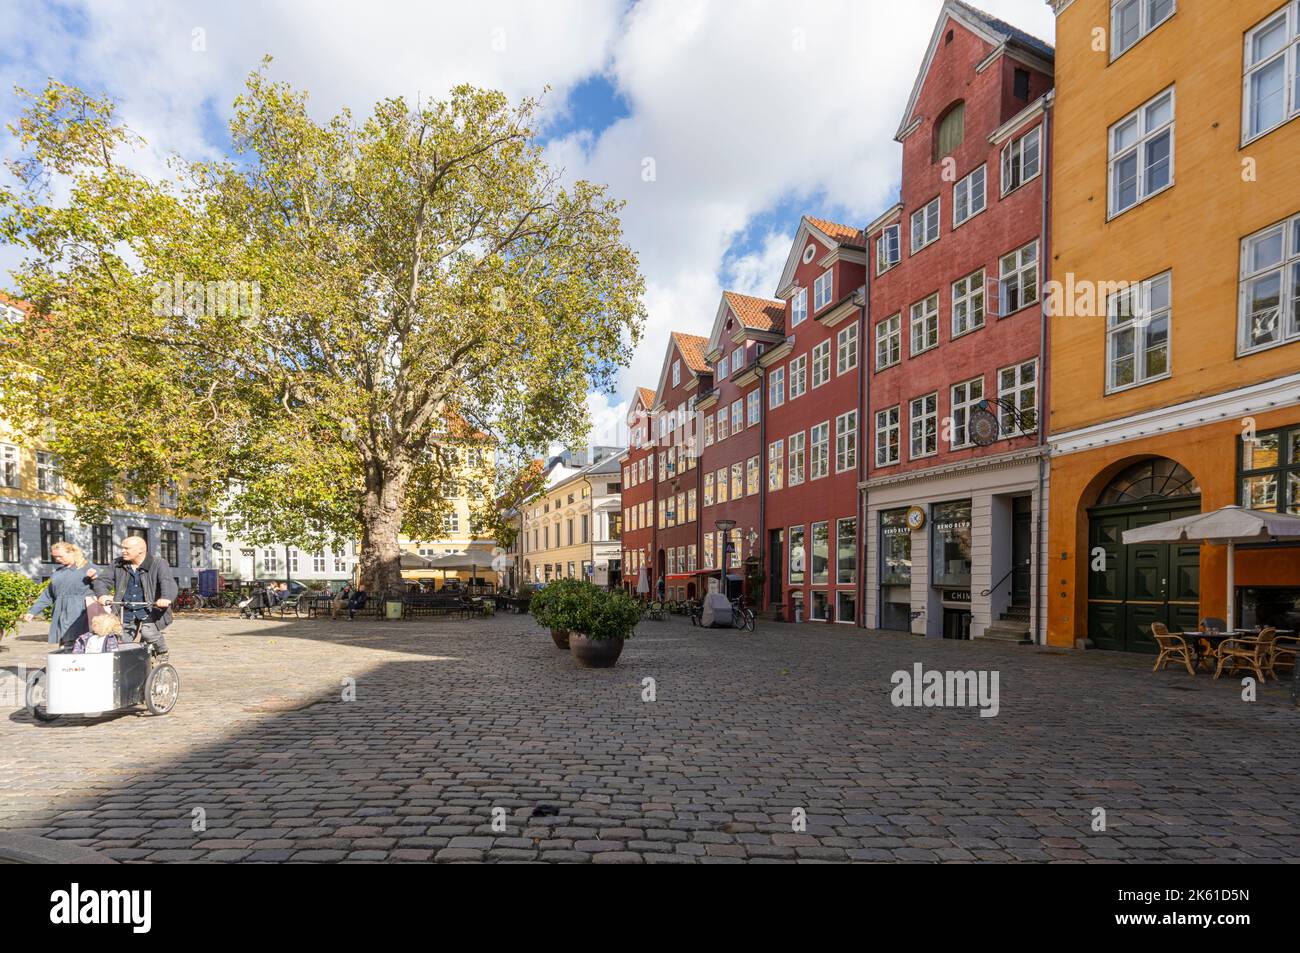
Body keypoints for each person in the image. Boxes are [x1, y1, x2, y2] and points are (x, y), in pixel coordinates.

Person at [21, 541, 109, 650]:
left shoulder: (88, 567)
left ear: (71, 553)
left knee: (79, 644)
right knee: (64, 644)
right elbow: (48, 594)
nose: (57, 559)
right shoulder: (58, 572)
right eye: (55, 557)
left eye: (60, 556)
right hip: (61, 612)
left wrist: (95, 577)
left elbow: (102, 588)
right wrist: (32, 611)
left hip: (80, 612)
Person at [101, 535, 177, 660]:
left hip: (151, 609)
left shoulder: (158, 563)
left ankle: (162, 650)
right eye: (122, 548)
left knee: (148, 633)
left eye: (127, 548)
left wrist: (165, 598)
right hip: (126, 609)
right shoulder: (117, 564)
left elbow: (167, 581)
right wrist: (102, 594)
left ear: (140, 550)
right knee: (122, 641)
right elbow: (103, 581)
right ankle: (135, 665)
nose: (123, 551)